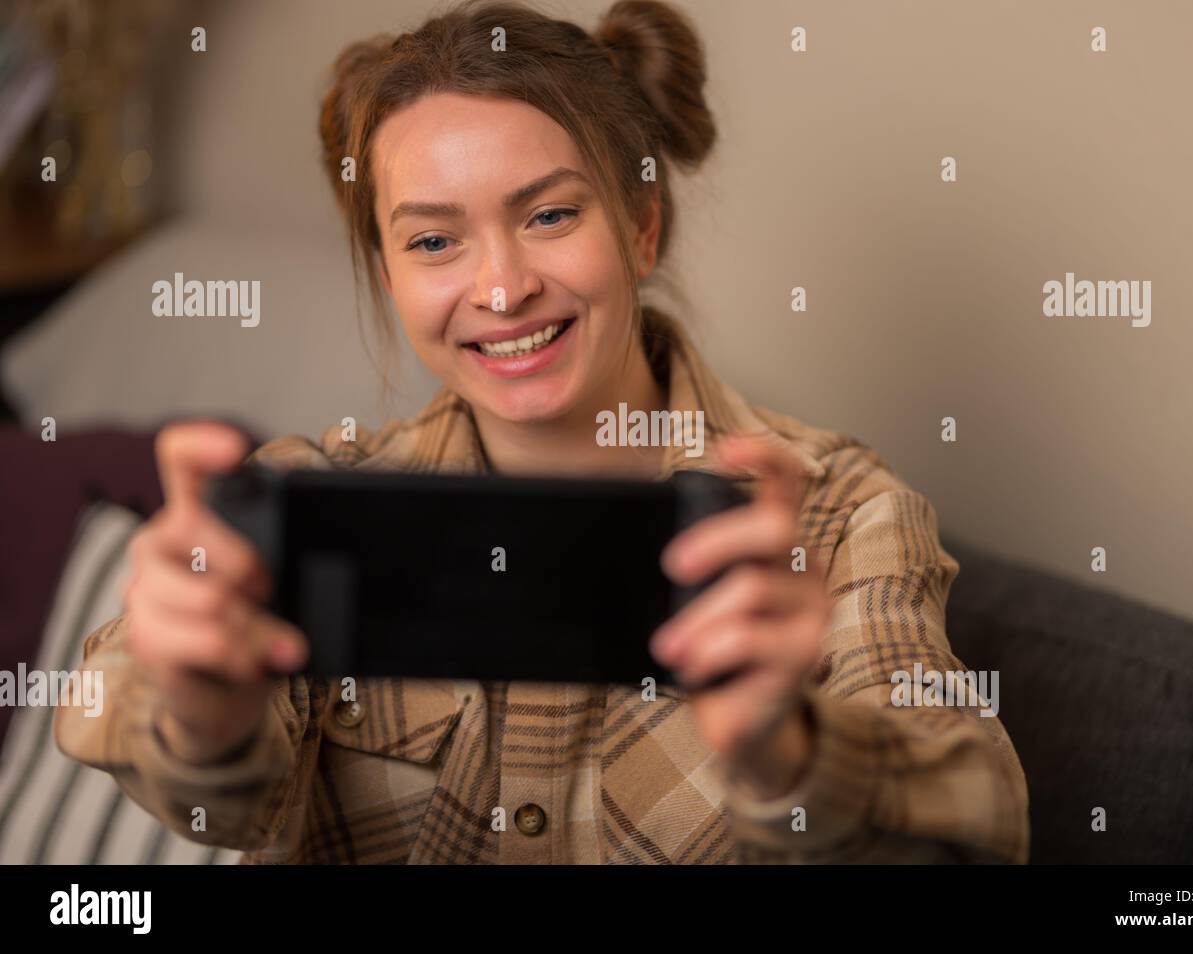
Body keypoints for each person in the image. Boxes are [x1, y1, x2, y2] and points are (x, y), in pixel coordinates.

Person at [55, 0, 1029, 864]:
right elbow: (131, 727)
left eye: (551, 214)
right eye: (433, 240)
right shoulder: (308, 501)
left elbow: (977, 821)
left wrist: (794, 753)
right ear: (390, 275)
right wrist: (197, 711)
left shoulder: (842, 516)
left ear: (643, 227)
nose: (500, 286)